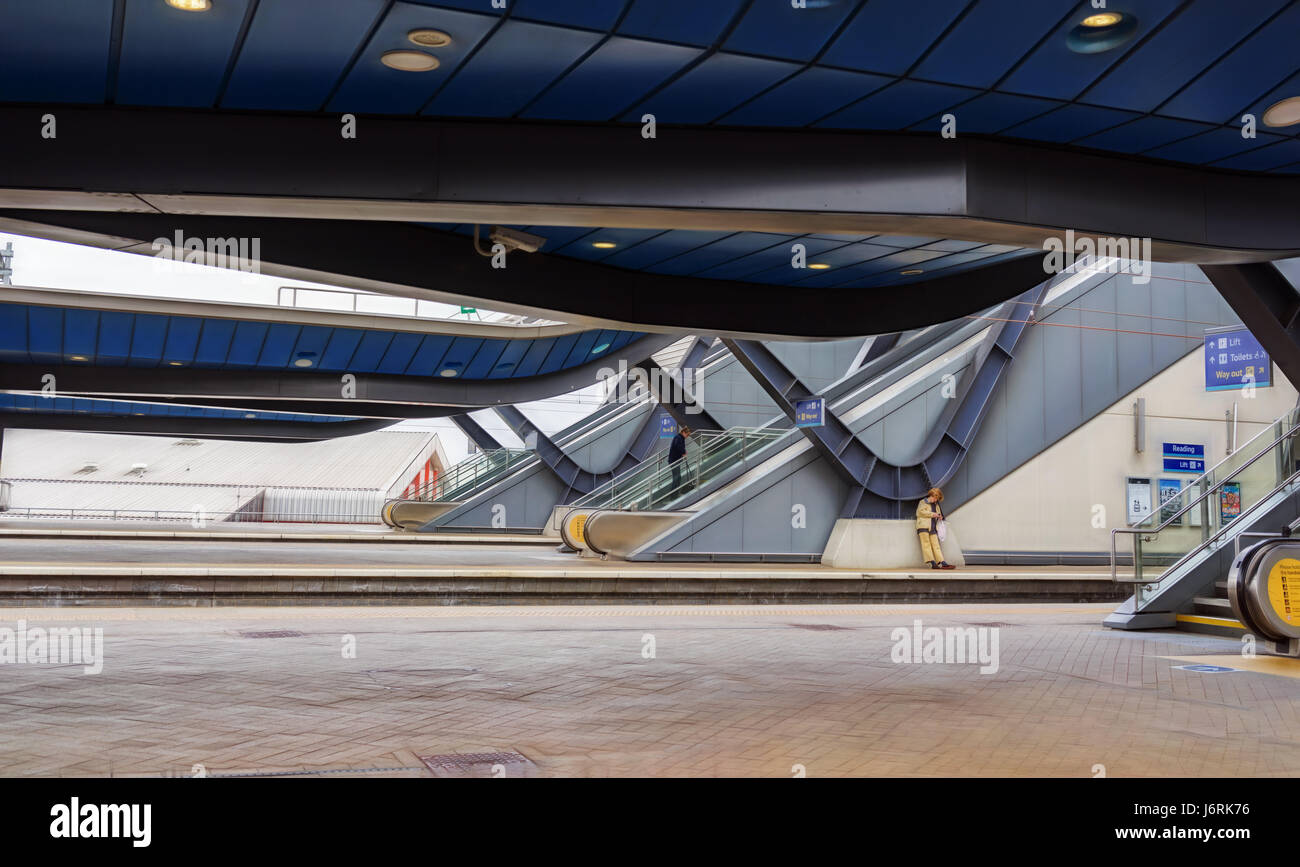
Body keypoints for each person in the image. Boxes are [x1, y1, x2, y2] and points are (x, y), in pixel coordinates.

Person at [916, 487, 956, 570]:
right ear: (932, 495)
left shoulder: (936, 505)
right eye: (935, 498)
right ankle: (931, 562)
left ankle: (942, 562)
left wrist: (939, 517)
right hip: (923, 526)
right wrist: (933, 514)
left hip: (933, 526)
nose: (935, 500)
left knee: (936, 545)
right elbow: (920, 512)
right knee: (926, 544)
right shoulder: (922, 502)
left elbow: (937, 514)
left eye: (937, 499)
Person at [668, 425, 692, 493]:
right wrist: (683, 453)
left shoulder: (680, 438)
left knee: (677, 477)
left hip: (675, 460)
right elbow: (678, 446)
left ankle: (675, 493)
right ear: (683, 432)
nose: (687, 437)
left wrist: (684, 452)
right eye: (687, 435)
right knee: (677, 478)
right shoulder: (678, 437)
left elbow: (680, 446)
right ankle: (673, 494)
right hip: (674, 461)